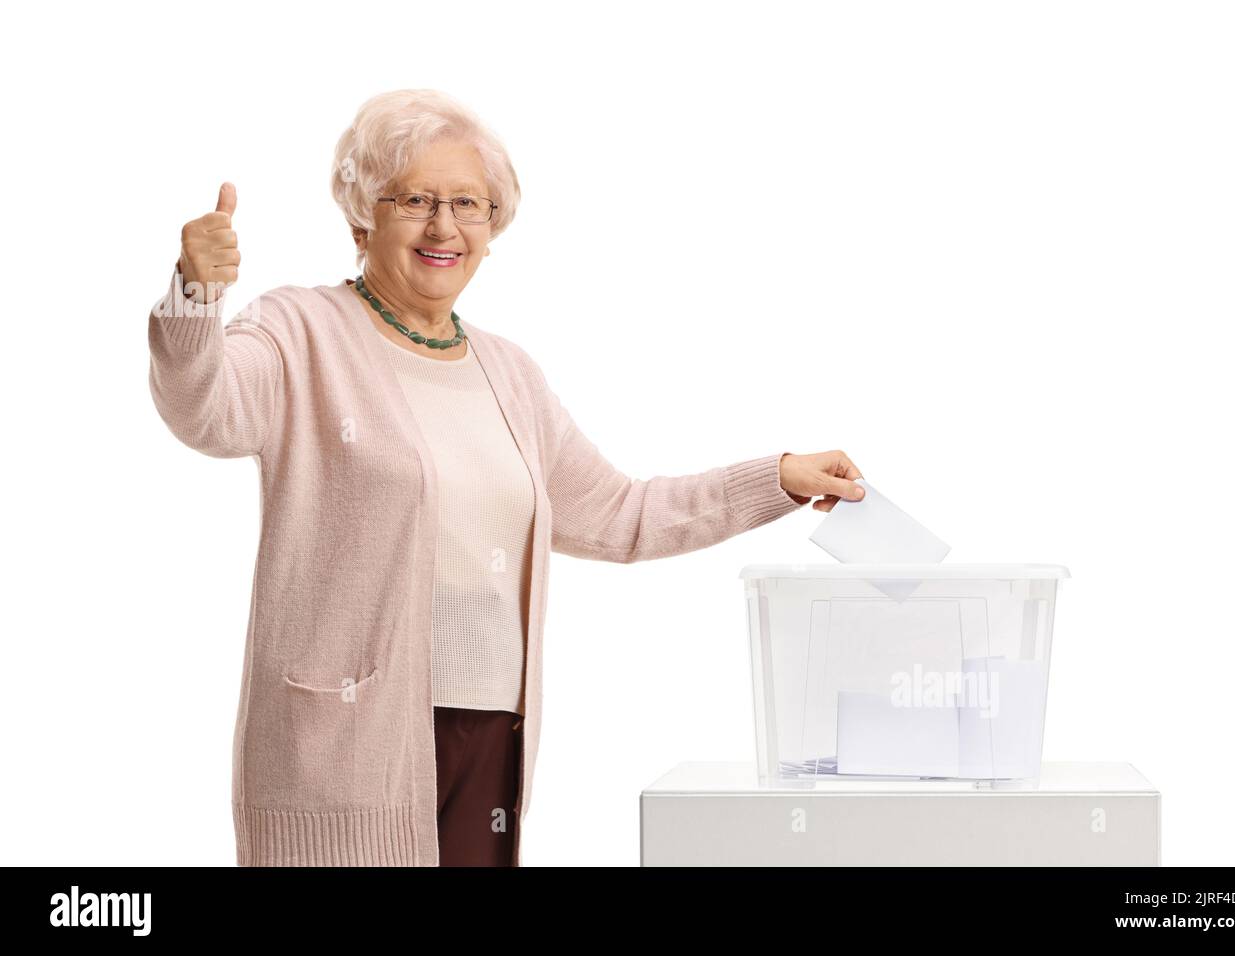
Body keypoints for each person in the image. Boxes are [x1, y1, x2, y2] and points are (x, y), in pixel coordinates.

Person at [148, 87, 864, 866]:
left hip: (489, 731)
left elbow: (622, 516)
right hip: (343, 740)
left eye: (469, 204)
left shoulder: (508, 375)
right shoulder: (300, 331)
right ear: (362, 216)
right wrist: (197, 294)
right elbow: (206, 408)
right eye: (416, 199)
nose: (444, 226)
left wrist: (778, 479)